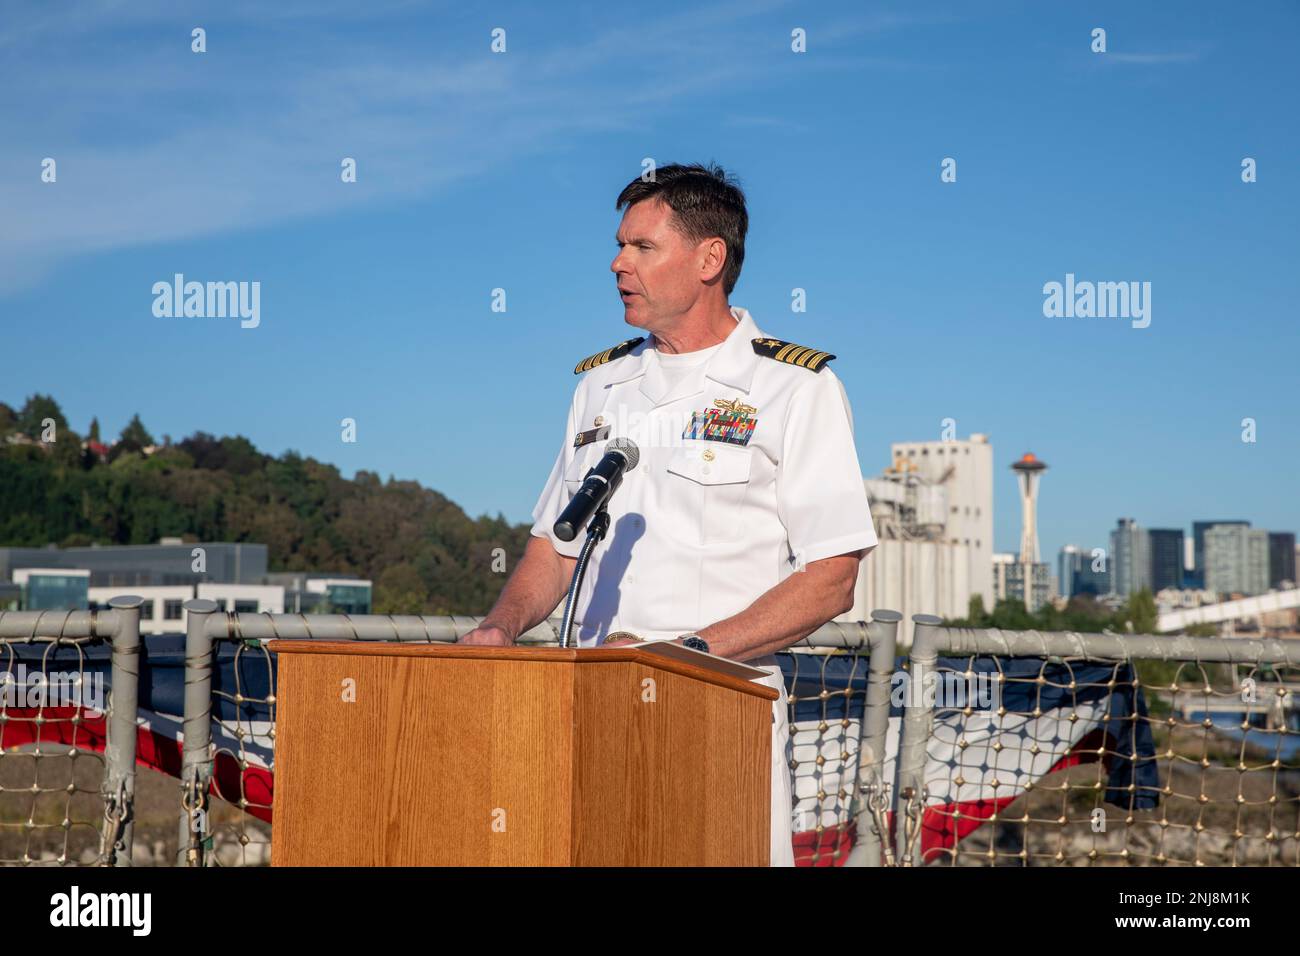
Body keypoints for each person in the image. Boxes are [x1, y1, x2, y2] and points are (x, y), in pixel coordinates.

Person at [459, 162, 878, 866]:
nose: (618, 263)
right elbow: (553, 547)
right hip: (588, 706)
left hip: (716, 708)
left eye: (642, 247)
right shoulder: (601, 384)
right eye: (621, 247)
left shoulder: (793, 387)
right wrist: (500, 626)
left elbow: (832, 577)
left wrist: (677, 659)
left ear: (709, 258)